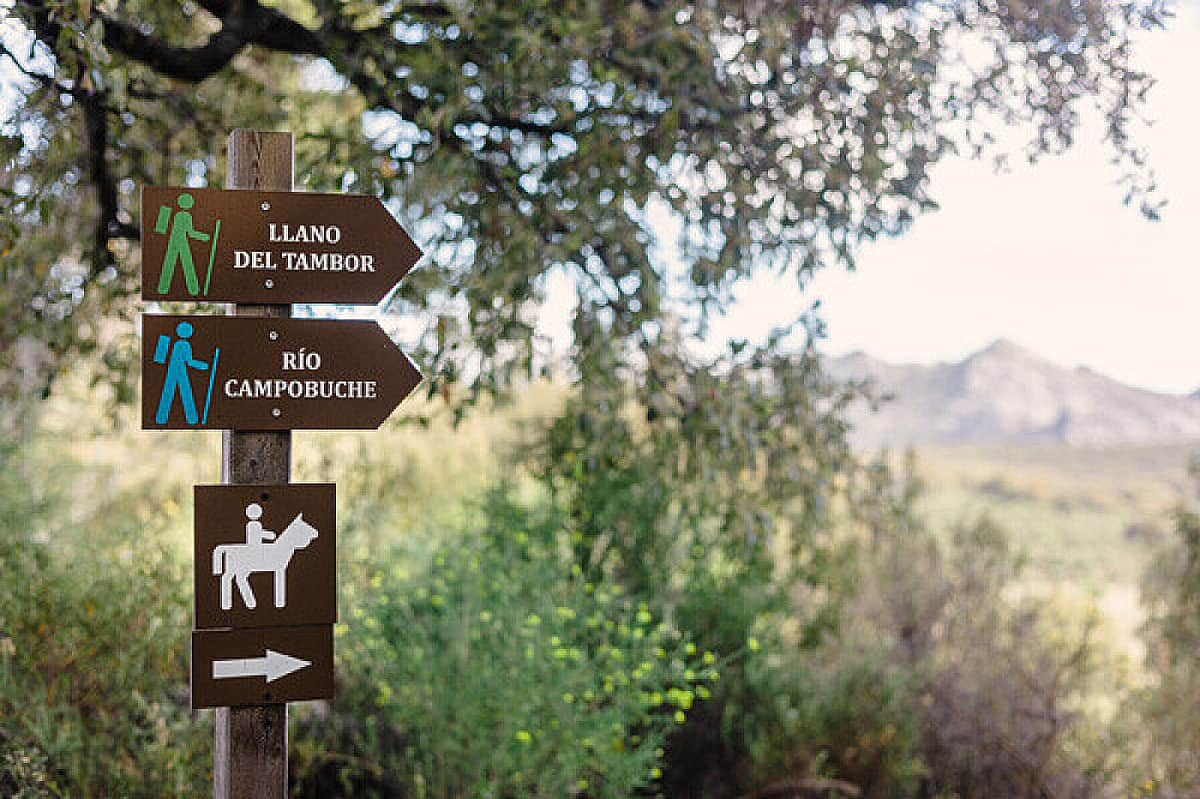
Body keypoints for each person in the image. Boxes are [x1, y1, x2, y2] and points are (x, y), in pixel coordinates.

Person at [154, 321, 209, 424]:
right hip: (178, 370)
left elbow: (161, 357)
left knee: (173, 392)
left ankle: (163, 418)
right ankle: (190, 418)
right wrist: (203, 365)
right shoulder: (183, 344)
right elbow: (190, 361)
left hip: (175, 370)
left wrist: (202, 365)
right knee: (183, 392)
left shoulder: (177, 343)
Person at [156, 192, 210, 295]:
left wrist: (204, 237)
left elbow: (189, 232)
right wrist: (204, 237)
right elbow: (191, 233)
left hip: (177, 240)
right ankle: (192, 289)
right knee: (183, 263)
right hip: (178, 240)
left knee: (177, 262)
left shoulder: (179, 214)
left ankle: (165, 288)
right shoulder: (184, 215)